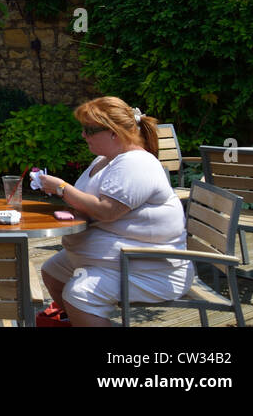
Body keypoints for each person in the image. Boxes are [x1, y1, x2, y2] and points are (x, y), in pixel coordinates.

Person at [36, 96, 192, 327]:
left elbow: (107, 211)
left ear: (114, 132)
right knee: (53, 272)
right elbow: (88, 201)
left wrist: (61, 187)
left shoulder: (137, 163)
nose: (83, 135)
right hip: (121, 261)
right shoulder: (106, 160)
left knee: (80, 296)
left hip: (152, 268)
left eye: (89, 130)